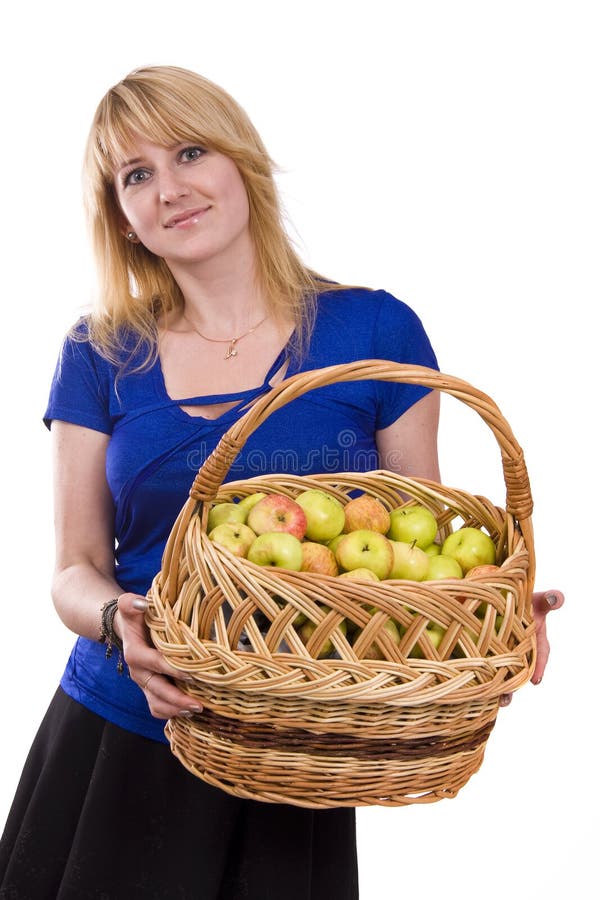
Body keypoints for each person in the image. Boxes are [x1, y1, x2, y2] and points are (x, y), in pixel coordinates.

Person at [0, 65, 563, 900]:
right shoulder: (100, 353)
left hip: (297, 741)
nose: (170, 189)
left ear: (242, 163)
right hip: (120, 734)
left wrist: (485, 618)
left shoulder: (374, 328)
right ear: (121, 219)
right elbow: (73, 568)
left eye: (190, 151)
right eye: (136, 175)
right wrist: (120, 621)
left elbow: (429, 545)